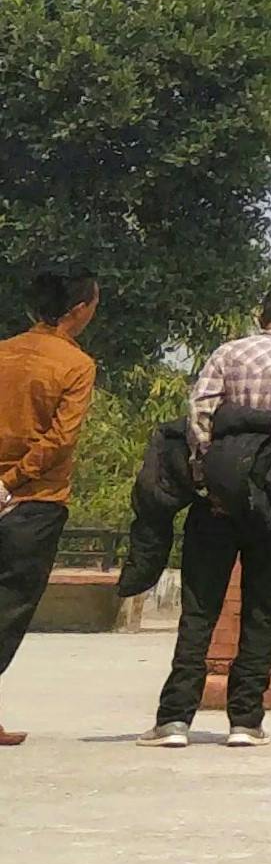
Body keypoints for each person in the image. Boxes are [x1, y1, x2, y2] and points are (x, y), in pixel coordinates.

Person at [152, 280, 271, 751]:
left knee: (199, 607)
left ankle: (175, 720)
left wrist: (215, 474)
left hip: (217, 501)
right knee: (262, 609)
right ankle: (245, 720)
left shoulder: (228, 354)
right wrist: (270, 477)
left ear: (263, 314)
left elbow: (200, 417)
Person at [0, 269, 102, 745]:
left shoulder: (4, 352)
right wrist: (10, 481)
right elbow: (61, 439)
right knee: (10, 609)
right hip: (33, 502)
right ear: (78, 310)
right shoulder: (76, 365)